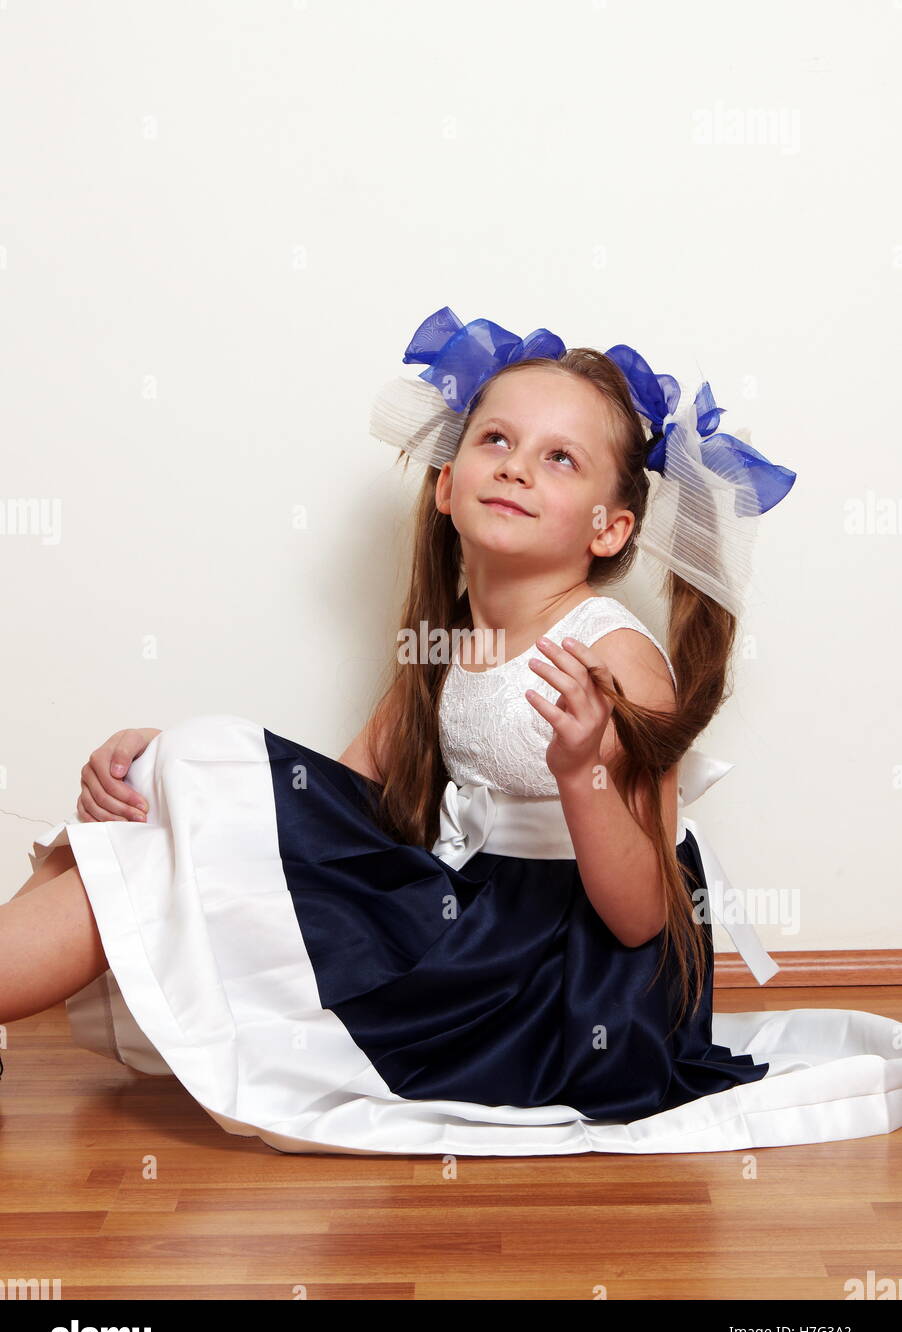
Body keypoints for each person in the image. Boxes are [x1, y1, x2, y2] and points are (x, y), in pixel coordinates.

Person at [3, 306, 899, 1158]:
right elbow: (332, 804)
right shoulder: (449, 639)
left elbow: (642, 918)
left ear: (611, 528)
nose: (515, 468)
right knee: (161, 801)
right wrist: (171, 774)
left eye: (559, 458)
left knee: (167, 828)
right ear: (445, 483)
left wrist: (581, 772)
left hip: (563, 975)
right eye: (496, 440)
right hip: (469, 915)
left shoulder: (618, 660)